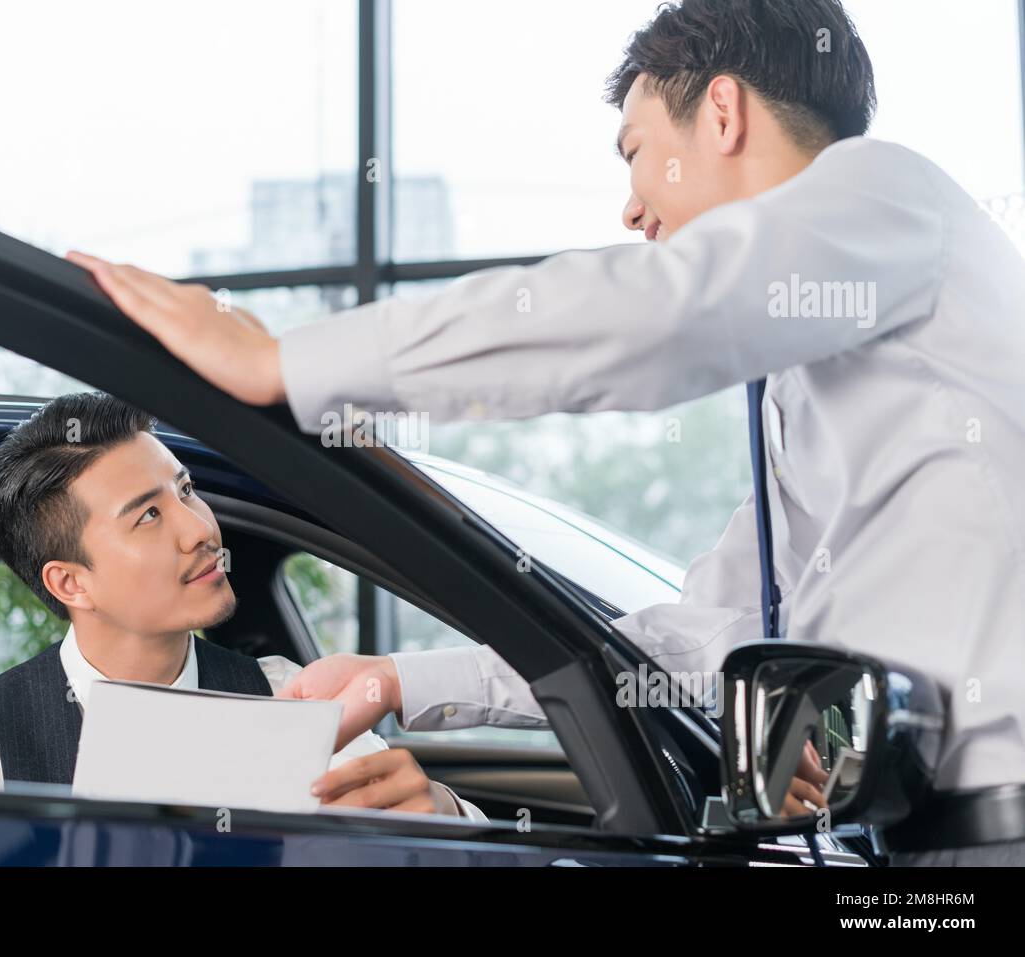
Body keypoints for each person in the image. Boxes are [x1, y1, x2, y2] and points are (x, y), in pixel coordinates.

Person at [67, 0, 1025, 862]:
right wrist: (402, 675)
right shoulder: (809, 386)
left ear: (722, 114)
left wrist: (287, 364)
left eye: (637, 149)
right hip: (922, 848)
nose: (633, 204)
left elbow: (656, 316)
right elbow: (700, 641)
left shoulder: (890, 194)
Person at [0, 391, 485, 821]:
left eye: (185, 491)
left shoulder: (289, 698)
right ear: (71, 584)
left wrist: (442, 812)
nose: (200, 528)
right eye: (148, 515)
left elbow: (423, 835)